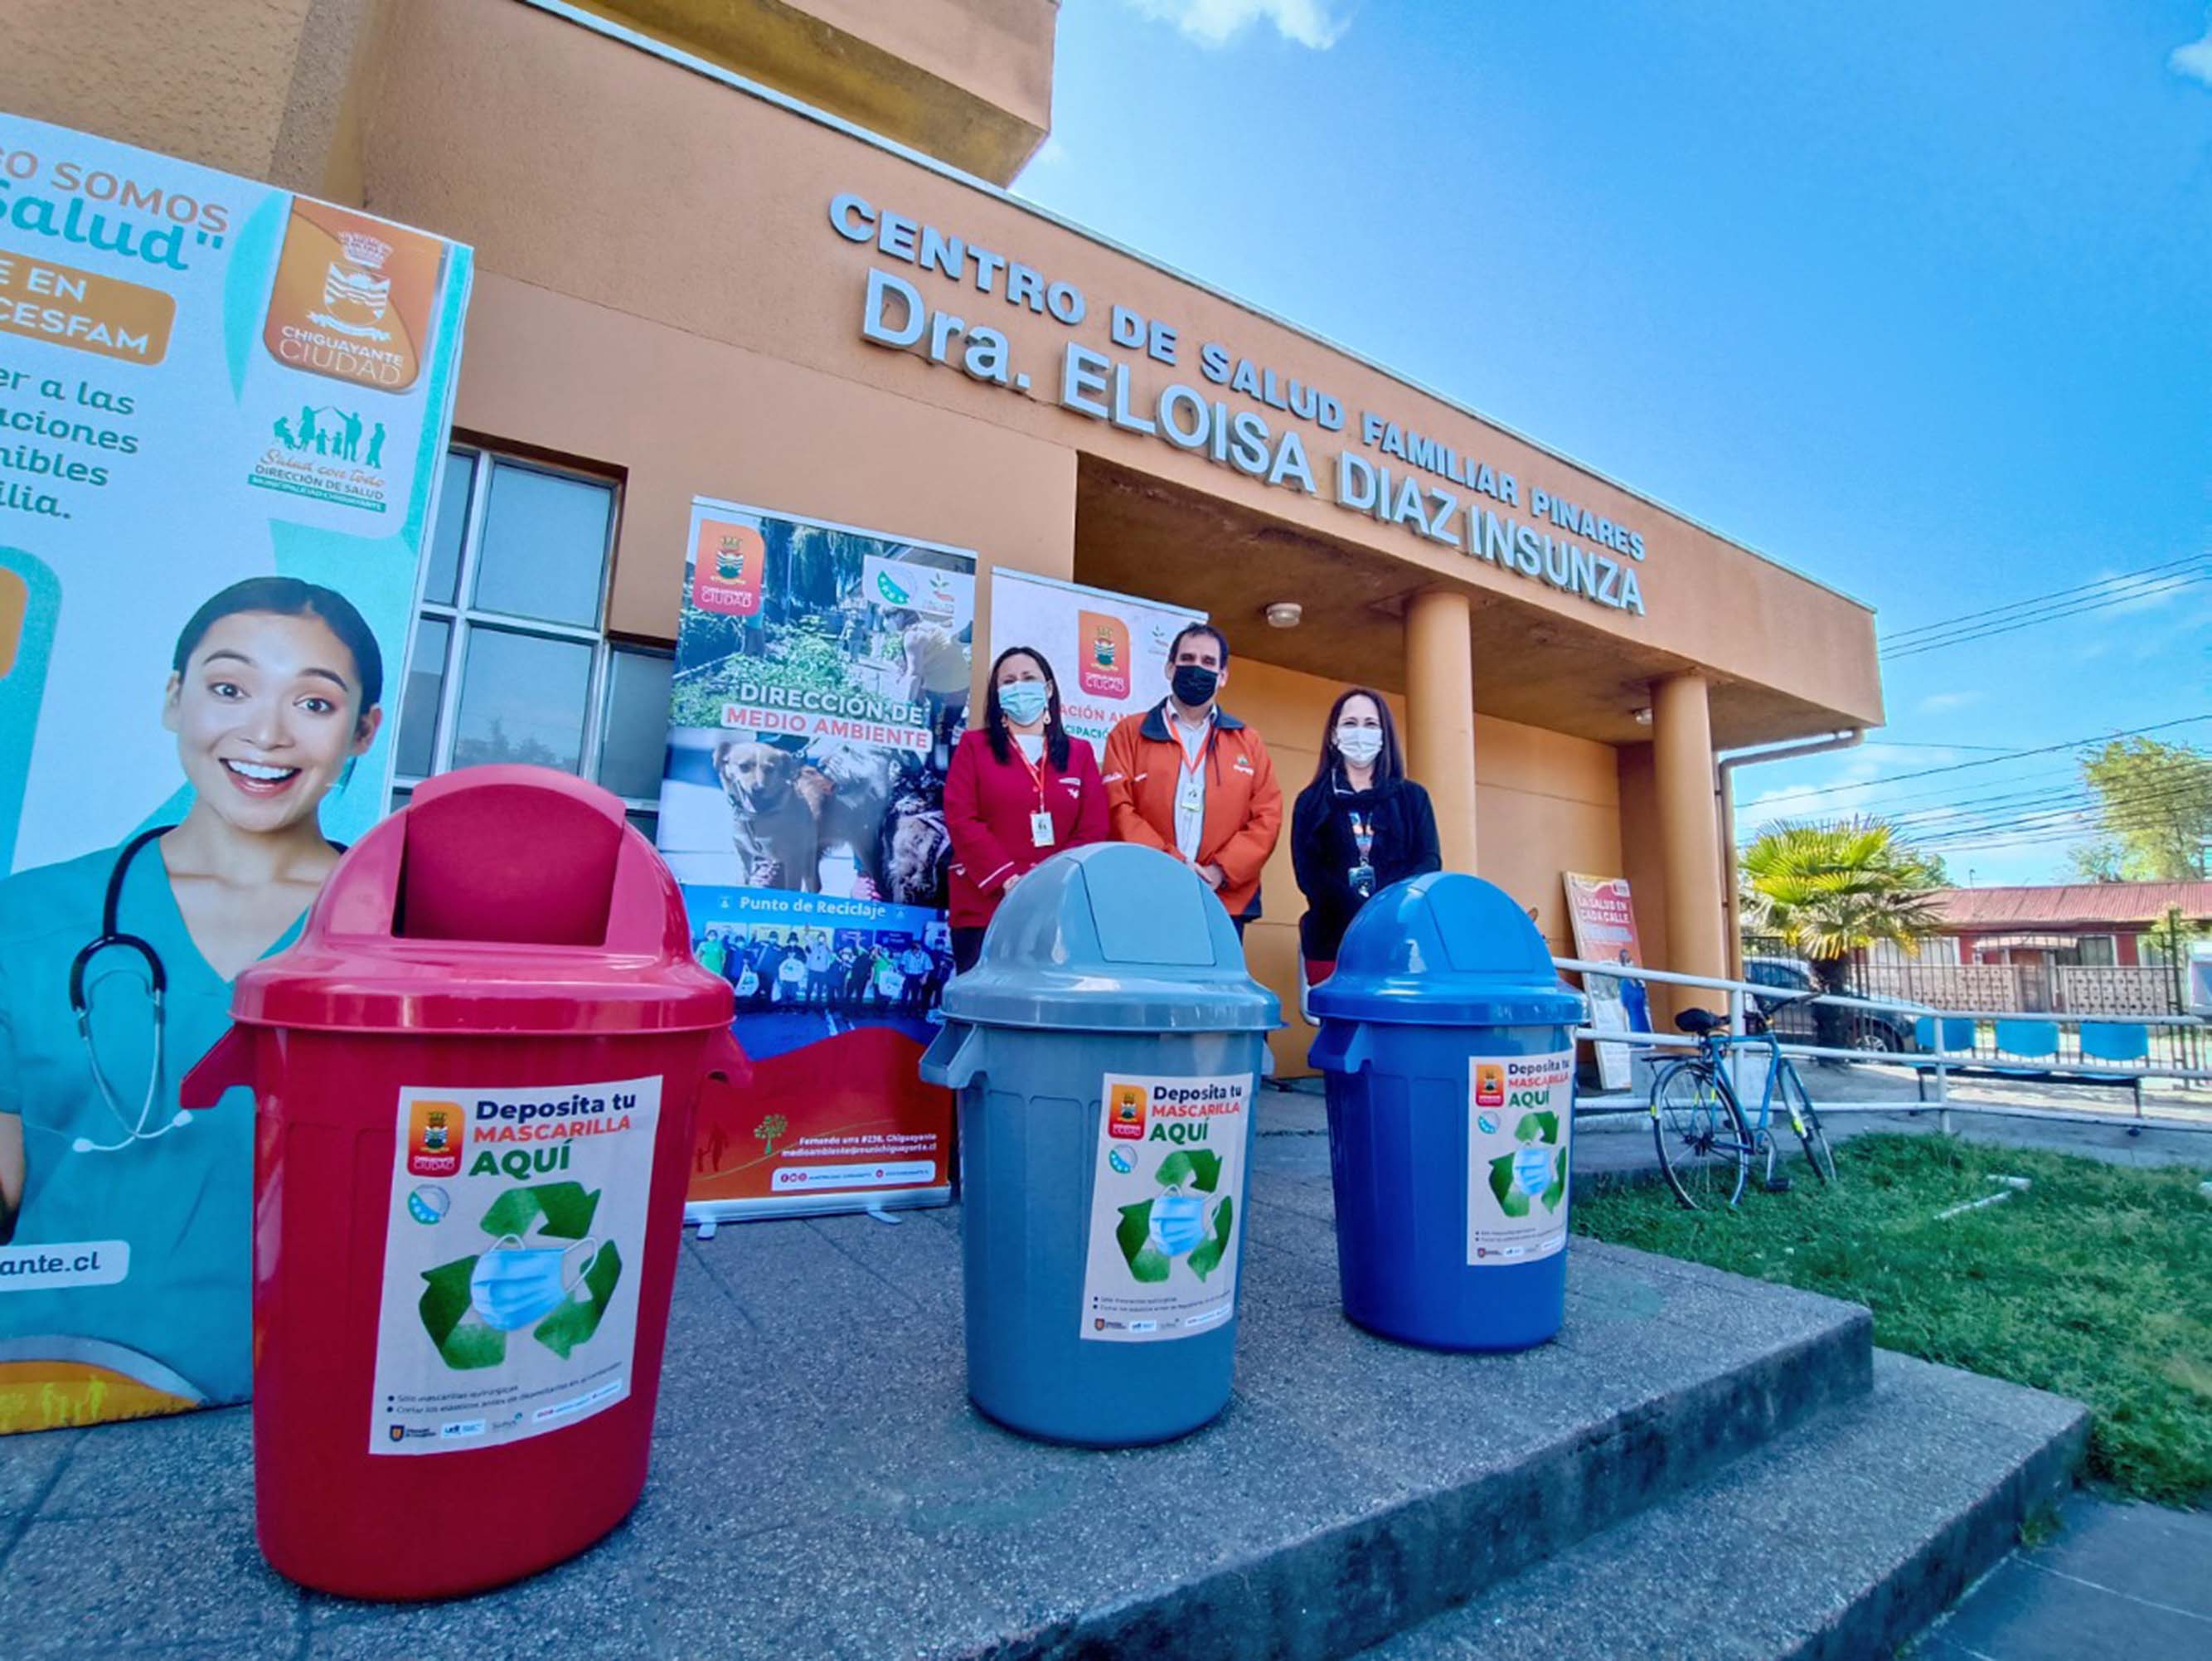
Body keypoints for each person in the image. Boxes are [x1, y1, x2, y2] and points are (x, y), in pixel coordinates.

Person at [0, 576, 384, 1412]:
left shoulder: (412, 933)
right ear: (176, 699)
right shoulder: (26, 916)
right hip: (57, 1384)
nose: (266, 732)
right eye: (229, 688)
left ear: (362, 732)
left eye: (314, 704)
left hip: (321, 1390)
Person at [1101, 623, 1282, 935]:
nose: (1197, 668)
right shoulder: (1128, 733)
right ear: (1170, 668)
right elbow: (1118, 808)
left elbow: (1267, 817)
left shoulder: (1248, 742)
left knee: (1213, 986)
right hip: (1144, 896)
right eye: (1188, 659)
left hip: (1222, 902)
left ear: (1223, 676)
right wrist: (1169, 865)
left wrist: (1221, 870)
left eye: (1208, 662)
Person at [943, 646, 1108, 972]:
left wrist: (1048, 882)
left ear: (1047, 689)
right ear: (998, 695)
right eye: (1008, 681)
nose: (1019, 685)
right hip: (984, 905)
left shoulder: (1080, 753)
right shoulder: (974, 746)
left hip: (1057, 908)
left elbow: (1094, 828)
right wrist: (1007, 879)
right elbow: (961, 817)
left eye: (1028, 678)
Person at [1290, 687, 1441, 990]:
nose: (1361, 732)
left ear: (1384, 736)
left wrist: (1382, 907)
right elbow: (1309, 875)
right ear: (1334, 735)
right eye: (1350, 723)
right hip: (1331, 942)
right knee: (1344, 1030)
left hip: (1400, 941)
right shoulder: (1311, 801)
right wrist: (1356, 910)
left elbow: (1428, 862)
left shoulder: (1413, 797)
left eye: (1371, 724)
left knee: (1395, 1029)